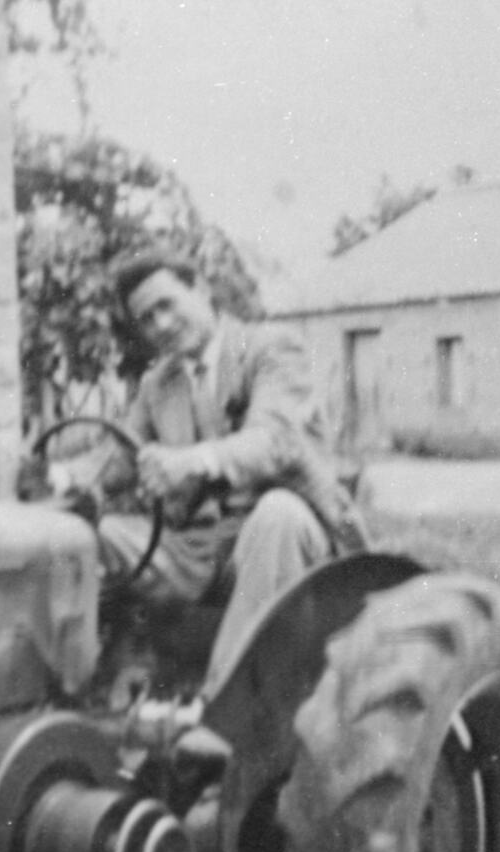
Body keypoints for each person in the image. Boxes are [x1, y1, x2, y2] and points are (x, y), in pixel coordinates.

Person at [45, 248, 366, 698]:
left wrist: (192, 460)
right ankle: (77, 689)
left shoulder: (271, 348)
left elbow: (275, 441)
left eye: (166, 305)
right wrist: (61, 477)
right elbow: (119, 457)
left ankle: (221, 706)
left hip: (289, 537)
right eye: (145, 319)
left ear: (199, 290)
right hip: (197, 548)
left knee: (278, 514)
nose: (160, 325)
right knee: (91, 537)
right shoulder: (159, 383)